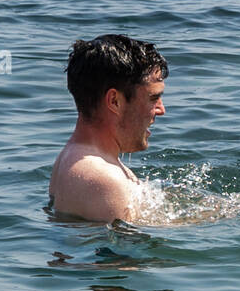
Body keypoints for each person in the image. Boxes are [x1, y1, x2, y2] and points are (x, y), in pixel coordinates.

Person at [49, 35, 168, 222]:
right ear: (115, 101)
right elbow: (127, 250)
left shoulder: (72, 158)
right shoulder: (105, 181)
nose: (161, 109)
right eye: (153, 98)